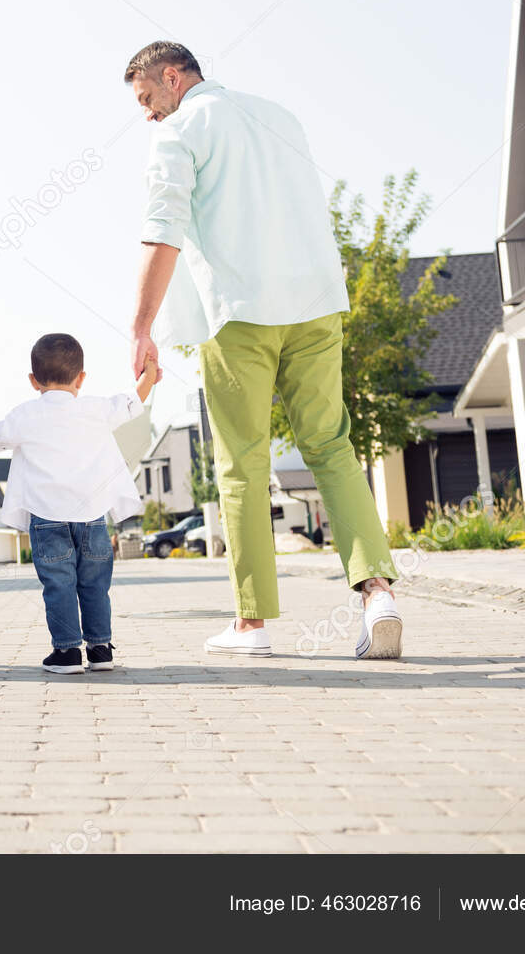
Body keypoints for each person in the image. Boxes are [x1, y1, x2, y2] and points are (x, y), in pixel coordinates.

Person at [123, 41, 404, 660]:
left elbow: (161, 229)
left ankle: (252, 625)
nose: (148, 114)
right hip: (317, 303)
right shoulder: (281, 116)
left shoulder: (178, 133)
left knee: (242, 462)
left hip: (240, 313)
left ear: (172, 79)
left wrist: (143, 328)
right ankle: (377, 594)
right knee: (331, 445)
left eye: (147, 99)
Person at [0, 334, 158, 674]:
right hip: (92, 517)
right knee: (95, 583)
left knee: (58, 583)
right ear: (81, 378)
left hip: (47, 519)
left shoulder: (26, 414)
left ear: (34, 381)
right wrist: (149, 371)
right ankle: (101, 647)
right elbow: (134, 399)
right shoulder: (96, 409)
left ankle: (67, 653)